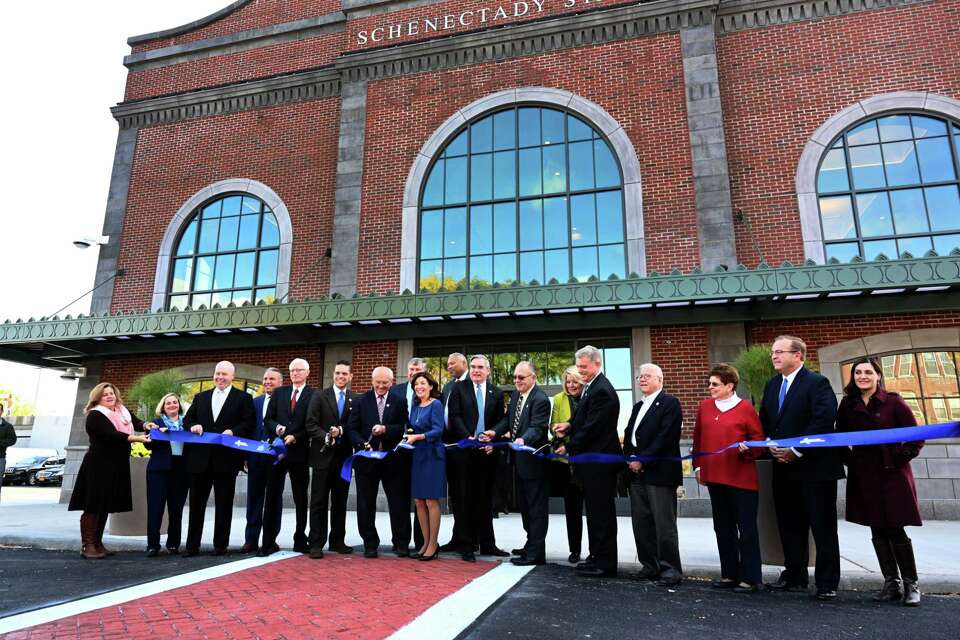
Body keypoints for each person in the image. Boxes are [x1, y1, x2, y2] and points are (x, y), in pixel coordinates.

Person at [759, 335, 842, 600]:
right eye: (773, 352)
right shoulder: (772, 386)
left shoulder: (817, 383)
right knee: (789, 525)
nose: (774, 356)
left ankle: (827, 583)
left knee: (822, 527)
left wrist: (796, 450)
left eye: (779, 351)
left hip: (815, 469)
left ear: (798, 356)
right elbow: (766, 420)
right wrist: (771, 445)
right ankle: (795, 576)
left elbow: (824, 419)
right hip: (782, 468)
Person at [838, 357, 923, 606]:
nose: (862, 376)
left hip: (892, 474)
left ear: (877, 376)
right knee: (876, 527)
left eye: (867, 372)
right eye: (857, 373)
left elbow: (916, 437)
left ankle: (911, 584)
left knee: (895, 527)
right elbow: (838, 436)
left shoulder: (893, 402)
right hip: (864, 475)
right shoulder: (848, 404)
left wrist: (898, 459)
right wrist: (851, 461)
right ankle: (891, 583)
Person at [693, 364, 765, 593]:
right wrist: (697, 467)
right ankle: (729, 574)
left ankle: (751, 578)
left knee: (746, 529)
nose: (710, 388)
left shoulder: (745, 409)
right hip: (714, 477)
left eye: (715, 384)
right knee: (722, 528)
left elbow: (758, 441)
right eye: (710, 383)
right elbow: (698, 439)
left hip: (741, 479)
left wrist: (749, 449)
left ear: (729, 386)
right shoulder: (704, 407)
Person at [555, 346, 621, 578]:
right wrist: (569, 425)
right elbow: (583, 418)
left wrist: (569, 446)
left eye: (584, 367)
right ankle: (595, 556)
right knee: (593, 512)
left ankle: (605, 563)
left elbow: (593, 427)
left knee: (601, 513)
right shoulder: (591, 388)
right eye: (579, 366)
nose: (580, 371)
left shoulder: (602, 390)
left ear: (597, 364)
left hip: (600, 462)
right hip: (591, 463)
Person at [68, 383, 150, 559]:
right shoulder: (96, 415)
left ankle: (98, 543)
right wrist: (134, 438)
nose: (109, 396)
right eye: (105, 394)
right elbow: (110, 435)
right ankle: (87, 545)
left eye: (111, 393)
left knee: (104, 503)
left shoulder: (122, 411)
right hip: (98, 464)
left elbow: (136, 422)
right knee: (93, 503)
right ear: (98, 398)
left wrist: (146, 425)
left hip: (115, 464)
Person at [182, 361, 256, 556]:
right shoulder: (200, 397)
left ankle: (220, 545)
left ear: (233, 377)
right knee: (196, 505)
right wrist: (193, 426)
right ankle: (192, 546)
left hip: (226, 460)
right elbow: (187, 420)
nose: (220, 377)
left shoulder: (243, 398)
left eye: (224, 374)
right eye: (217, 373)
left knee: (224, 505)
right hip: (199, 460)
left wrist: (234, 431)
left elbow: (249, 424)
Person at [622, 363, 684, 587]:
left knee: (663, 524)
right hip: (636, 475)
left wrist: (643, 459)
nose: (642, 380)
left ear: (660, 379)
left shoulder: (670, 403)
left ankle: (671, 570)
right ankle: (650, 566)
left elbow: (665, 437)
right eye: (639, 376)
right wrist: (629, 458)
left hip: (659, 473)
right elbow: (630, 435)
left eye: (647, 376)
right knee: (642, 523)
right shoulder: (638, 406)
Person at [448, 354, 509, 561]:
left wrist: (493, 435)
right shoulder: (459, 388)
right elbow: (454, 416)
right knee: (464, 499)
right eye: (473, 366)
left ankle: (488, 544)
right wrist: (468, 436)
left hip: (487, 454)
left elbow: (502, 421)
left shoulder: (497, 393)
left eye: (480, 367)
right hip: (464, 452)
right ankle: (466, 545)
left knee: (485, 500)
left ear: (488, 370)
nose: (476, 370)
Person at [346, 366, 411, 558]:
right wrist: (361, 443)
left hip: (393, 461)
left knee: (398, 503)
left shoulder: (400, 401)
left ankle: (401, 543)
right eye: (378, 382)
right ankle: (369, 543)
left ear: (392, 382)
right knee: (365, 503)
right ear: (372, 381)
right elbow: (351, 428)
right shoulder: (360, 400)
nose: (381, 386)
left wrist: (386, 429)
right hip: (367, 461)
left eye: (385, 383)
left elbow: (404, 427)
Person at [490, 361, 551, 566]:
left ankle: (536, 553)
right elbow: (508, 421)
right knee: (525, 507)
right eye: (515, 377)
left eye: (521, 377)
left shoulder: (541, 399)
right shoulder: (516, 395)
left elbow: (537, 427)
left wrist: (523, 439)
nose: (516, 381)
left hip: (534, 463)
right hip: (518, 462)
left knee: (536, 508)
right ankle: (530, 544)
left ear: (533, 378)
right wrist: (494, 432)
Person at [260, 358, 315, 555]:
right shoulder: (279, 393)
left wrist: (296, 436)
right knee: (272, 496)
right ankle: (267, 542)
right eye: (292, 370)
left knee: (301, 498)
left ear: (307, 373)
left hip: (300, 454)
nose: (295, 373)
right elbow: (268, 419)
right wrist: (278, 428)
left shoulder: (314, 394)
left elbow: (313, 422)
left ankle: (300, 539)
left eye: (299, 370)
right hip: (278, 453)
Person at [304, 359, 357, 558]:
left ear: (350, 376)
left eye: (344, 374)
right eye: (337, 373)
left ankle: (337, 541)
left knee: (340, 502)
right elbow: (310, 424)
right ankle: (316, 543)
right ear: (333, 375)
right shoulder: (319, 396)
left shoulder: (355, 399)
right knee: (318, 501)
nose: (340, 377)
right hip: (322, 457)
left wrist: (341, 430)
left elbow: (354, 425)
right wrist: (326, 435)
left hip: (343, 459)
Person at [143, 392, 191, 557]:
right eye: (168, 403)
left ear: (179, 405)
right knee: (155, 509)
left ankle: (173, 544)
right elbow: (148, 446)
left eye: (175, 402)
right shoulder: (155, 423)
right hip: (159, 470)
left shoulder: (188, 423)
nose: (172, 405)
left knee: (176, 510)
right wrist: (158, 434)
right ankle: (152, 545)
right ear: (163, 407)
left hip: (181, 470)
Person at [405, 371, 446, 561]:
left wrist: (418, 437)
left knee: (431, 500)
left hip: (432, 455)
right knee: (419, 501)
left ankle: (433, 544)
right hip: (418, 455)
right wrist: (408, 437)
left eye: (422, 383)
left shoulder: (436, 404)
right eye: (416, 384)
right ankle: (425, 542)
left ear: (431, 386)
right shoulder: (415, 406)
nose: (419, 387)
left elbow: (438, 430)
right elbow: (412, 427)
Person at [243, 367, 284, 553]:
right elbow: (248, 429)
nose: (267, 381)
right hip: (255, 457)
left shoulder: (286, 403)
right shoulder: (255, 402)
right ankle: (250, 539)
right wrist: (245, 456)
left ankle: (270, 539)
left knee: (274, 499)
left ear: (281, 382)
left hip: (276, 458)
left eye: (272, 379)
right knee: (254, 497)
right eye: (265, 378)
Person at [550, 366, 586, 563]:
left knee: (594, 509)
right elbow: (553, 425)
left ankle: (598, 550)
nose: (571, 385)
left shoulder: (589, 398)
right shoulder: (558, 399)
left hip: (587, 460)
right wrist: (558, 433)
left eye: (575, 382)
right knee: (572, 510)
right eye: (568, 382)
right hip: (566, 461)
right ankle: (575, 549)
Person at [392, 357, 427, 551]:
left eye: (417, 370)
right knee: (400, 498)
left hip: (421, 452)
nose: (413, 373)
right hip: (399, 452)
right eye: (411, 370)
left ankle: (422, 542)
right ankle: (401, 542)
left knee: (421, 498)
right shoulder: (396, 390)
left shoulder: (429, 394)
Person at [439, 352, 469, 552]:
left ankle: (468, 539)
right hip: (447, 446)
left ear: (463, 363)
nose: (448, 366)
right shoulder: (449, 386)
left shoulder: (472, 384)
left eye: (452, 363)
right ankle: (457, 537)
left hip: (467, 446)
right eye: (448, 363)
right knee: (456, 497)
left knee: (466, 495)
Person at [0, 403, 17, 500]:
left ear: (1, 412)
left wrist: (1, 443)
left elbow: (13, 440)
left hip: (0, 457)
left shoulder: (7, 426)